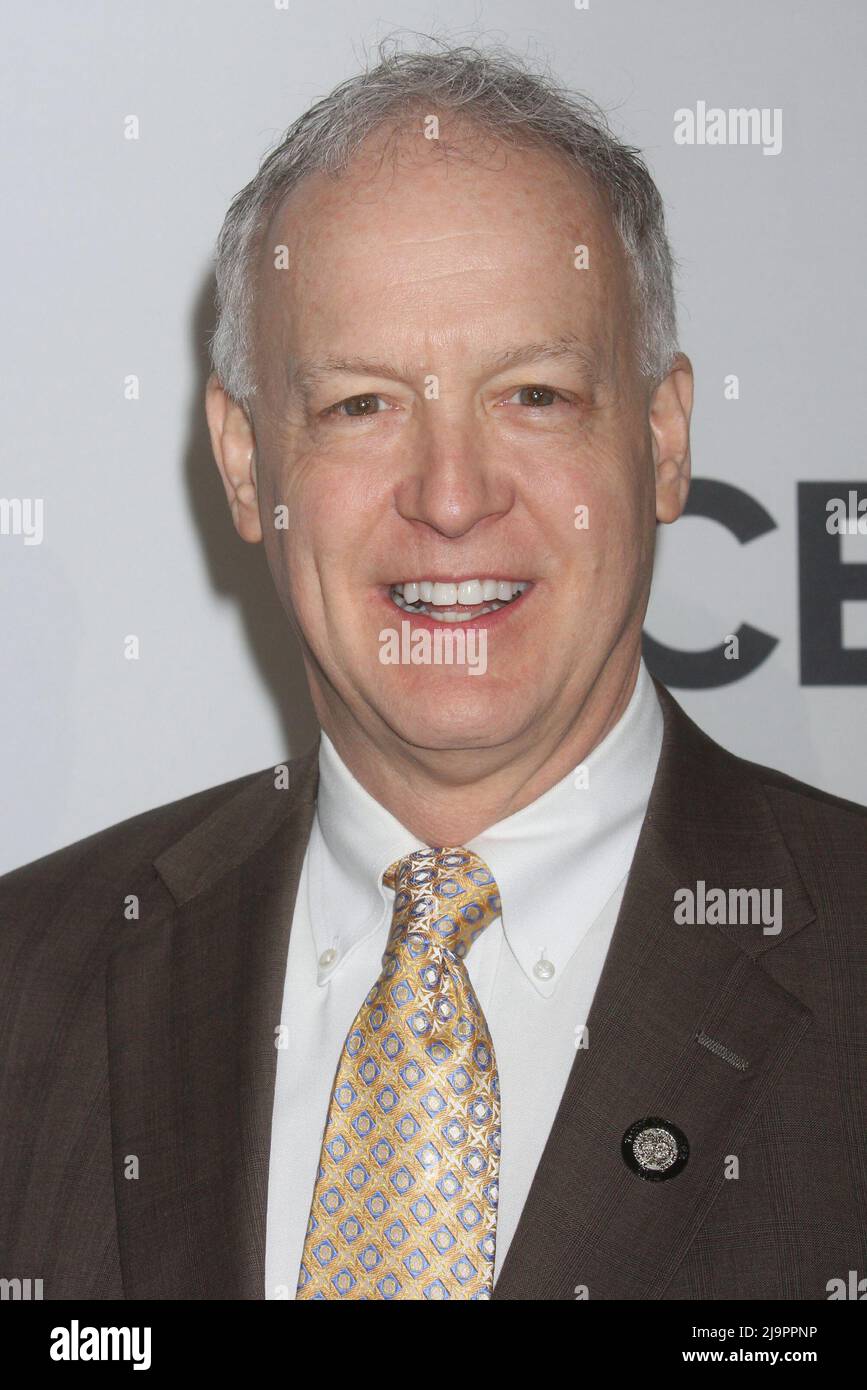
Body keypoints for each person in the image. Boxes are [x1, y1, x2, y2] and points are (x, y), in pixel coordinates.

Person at [1, 41, 864, 1302]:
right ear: (247, 466)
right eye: (360, 404)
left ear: (664, 438)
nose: (451, 496)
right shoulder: (30, 985)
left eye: (533, 393)